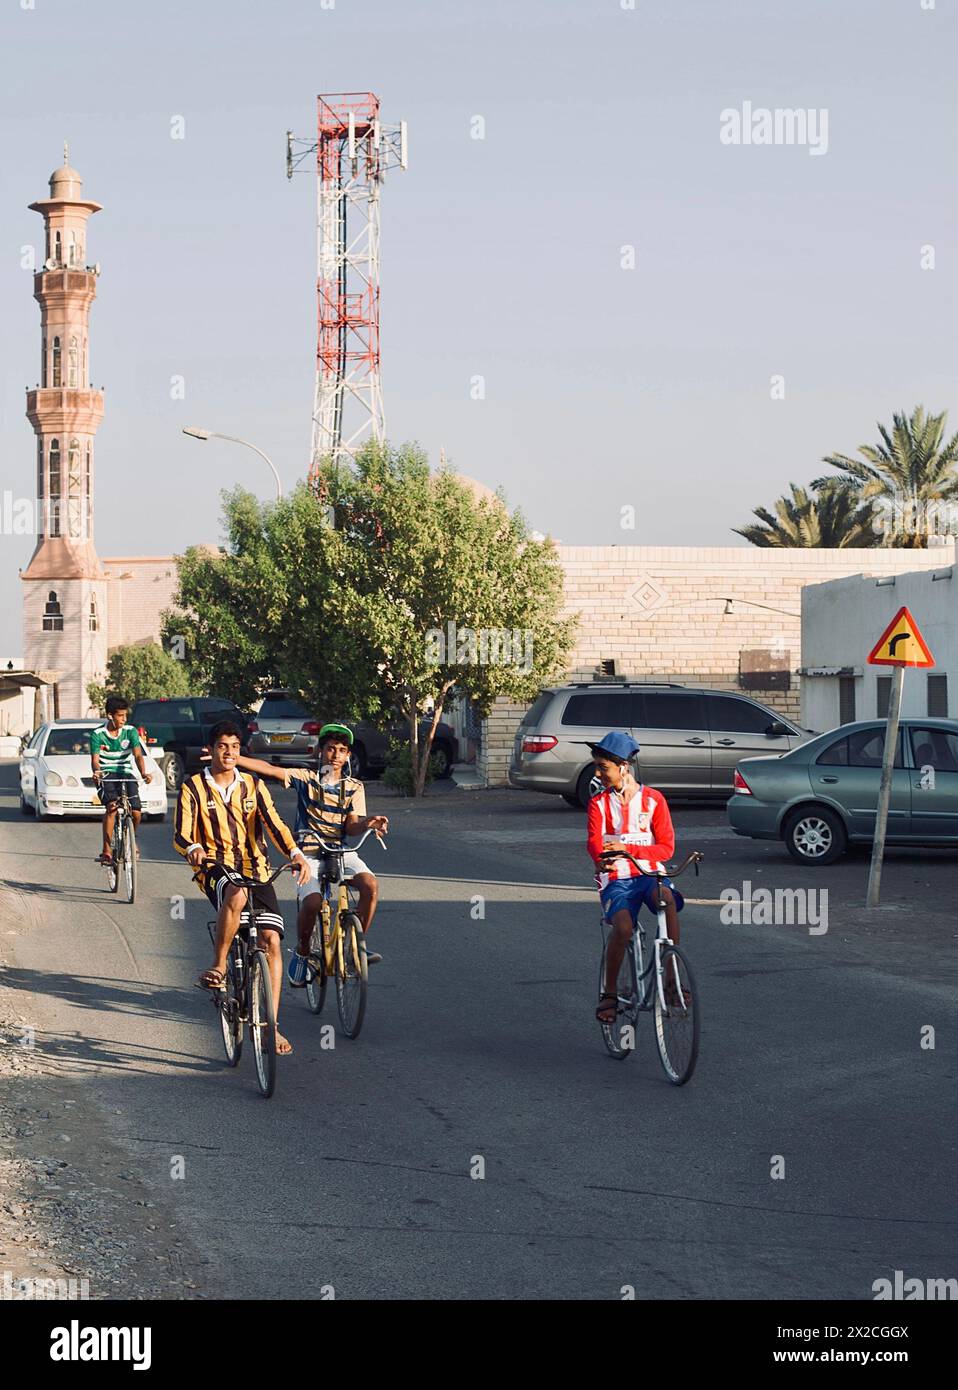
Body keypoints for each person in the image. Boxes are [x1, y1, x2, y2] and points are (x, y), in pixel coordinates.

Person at [173, 719, 309, 1057]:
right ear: (211, 749)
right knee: (236, 893)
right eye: (223, 746)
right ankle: (219, 966)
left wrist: (294, 853)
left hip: (257, 868)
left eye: (235, 747)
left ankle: (272, 1024)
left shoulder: (252, 785)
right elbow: (181, 834)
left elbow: (274, 824)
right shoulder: (193, 788)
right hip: (215, 869)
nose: (229, 752)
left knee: (272, 940)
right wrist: (193, 849)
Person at [230, 722, 388, 983]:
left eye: (341, 750)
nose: (335, 755)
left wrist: (369, 822)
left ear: (348, 755)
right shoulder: (306, 779)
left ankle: (354, 948)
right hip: (309, 854)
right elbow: (272, 770)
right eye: (330, 749)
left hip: (339, 850)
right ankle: (303, 952)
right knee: (313, 902)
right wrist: (237, 759)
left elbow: (352, 826)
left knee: (370, 885)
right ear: (320, 752)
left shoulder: (354, 787)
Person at [586, 731, 685, 1021]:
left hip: (648, 875)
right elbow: (594, 841)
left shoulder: (654, 800)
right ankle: (610, 992)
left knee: (666, 898)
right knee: (624, 928)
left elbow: (666, 849)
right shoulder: (599, 803)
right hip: (616, 878)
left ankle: (672, 978)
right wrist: (600, 858)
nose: (598, 773)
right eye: (597, 766)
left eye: (603, 767)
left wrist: (624, 847)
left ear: (623, 768)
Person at [90, 695, 153, 864]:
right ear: (110, 715)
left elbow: (138, 754)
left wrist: (143, 773)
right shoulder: (97, 734)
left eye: (125, 715)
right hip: (106, 774)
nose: (124, 719)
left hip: (126, 773)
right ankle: (106, 849)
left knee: (136, 812)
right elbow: (95, 759)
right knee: (111, 807)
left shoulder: (130, 732)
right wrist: (97, 772)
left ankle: (130, 838)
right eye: (120, 716)